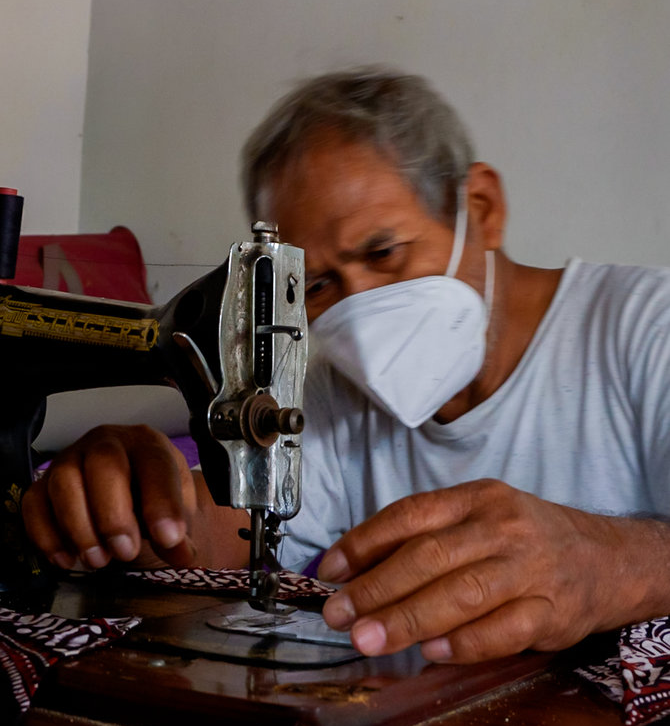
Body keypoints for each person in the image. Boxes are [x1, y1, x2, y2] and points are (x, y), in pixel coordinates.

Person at [22, 66, 670, 667]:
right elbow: (220, 540)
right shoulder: (327, 385)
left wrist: (609, 561)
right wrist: (139, 505)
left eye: (384, 252)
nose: (361, 305)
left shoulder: (648, 329)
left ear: (481, 209)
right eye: (319, 285)